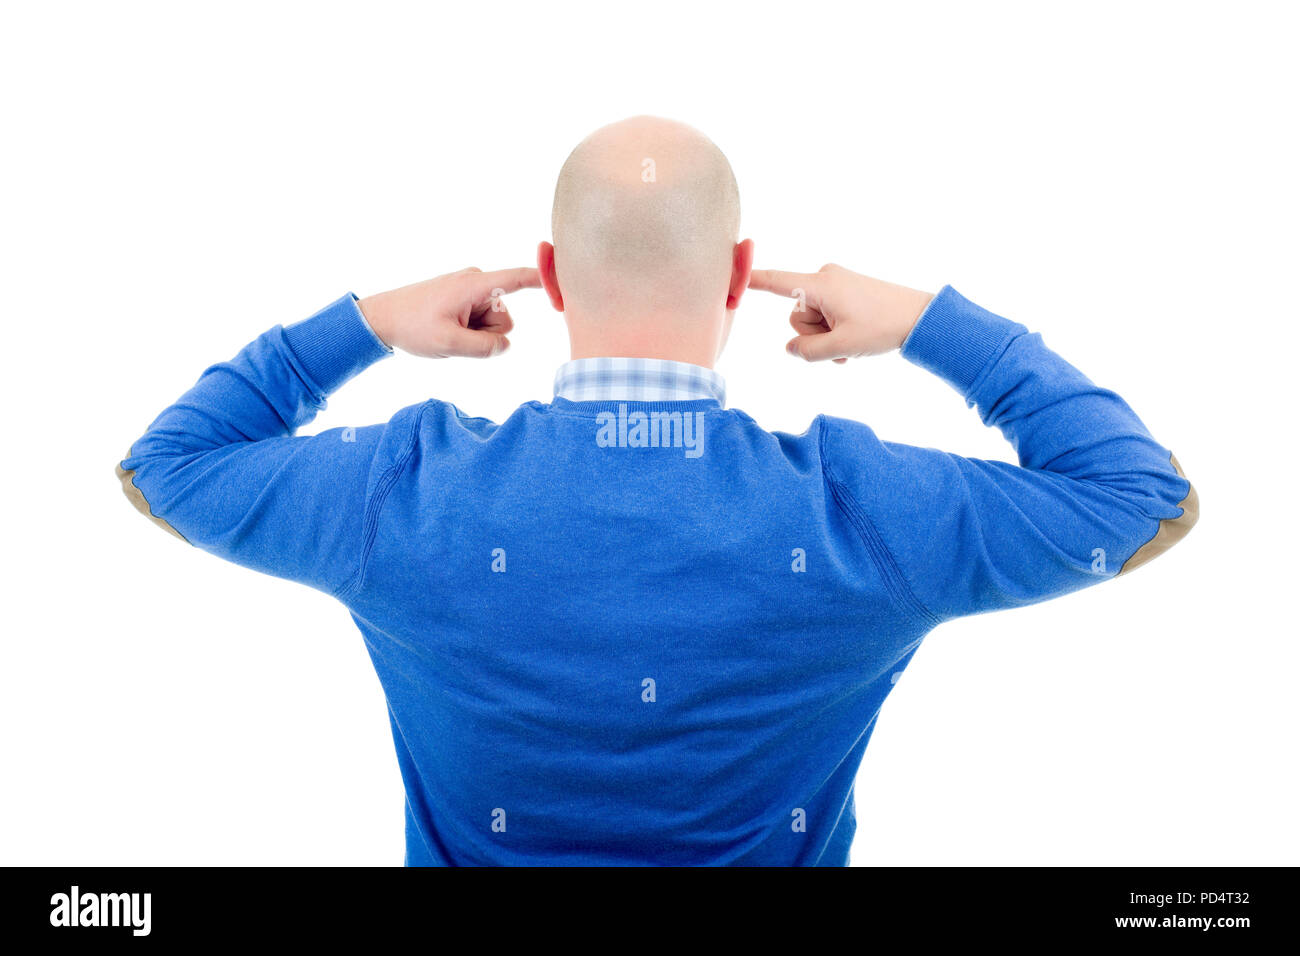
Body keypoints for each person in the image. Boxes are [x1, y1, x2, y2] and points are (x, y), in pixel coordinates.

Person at [116, 116, 1198, 866]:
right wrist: (930, 322)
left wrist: (361, 321)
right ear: (738, 274)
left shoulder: (402, 491)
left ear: (546, 275)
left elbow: (169, 466)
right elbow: (1138, 497)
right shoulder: (853, 509)